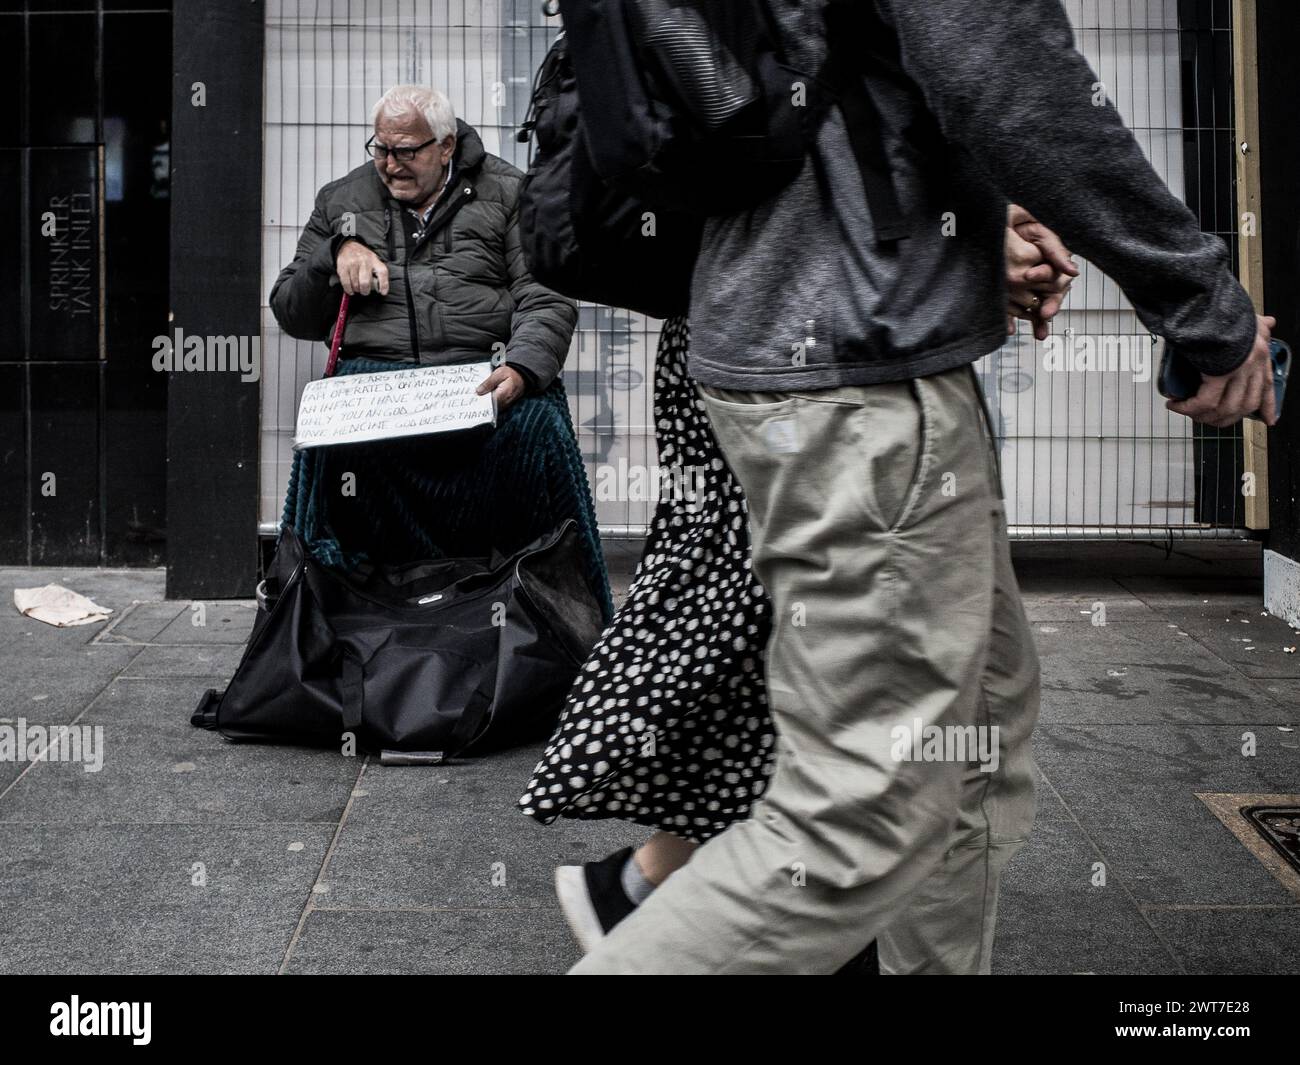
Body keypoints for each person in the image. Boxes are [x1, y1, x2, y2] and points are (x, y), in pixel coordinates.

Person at [570, 0, 1276, 975]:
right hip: (857, 374)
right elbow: (1009, 79)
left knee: (976, 730)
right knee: (861, 815)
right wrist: (1199, 299)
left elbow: (863, 111)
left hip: (820, 345)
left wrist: (974, 217)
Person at [520, 207, 1078, 958]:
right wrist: (954, 242)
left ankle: (653, 883)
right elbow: (821, 169)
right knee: (845, 692)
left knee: (794, 647)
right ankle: (650, 892)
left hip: (775, 340)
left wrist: (961, 234)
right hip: (805, 353)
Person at [268, 86, 609, 614]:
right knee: (327, 445)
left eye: (406, 151)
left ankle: (547, 603)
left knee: (537, 427)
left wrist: (521, 367)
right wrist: (332, 255)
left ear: (446, 146)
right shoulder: (342, 202)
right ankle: (338, 611)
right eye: (380, 149)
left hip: (480, 373)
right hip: (378, 379)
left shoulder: (508, 191)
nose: (389, 165)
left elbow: (545, 295)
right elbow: (292, 312)